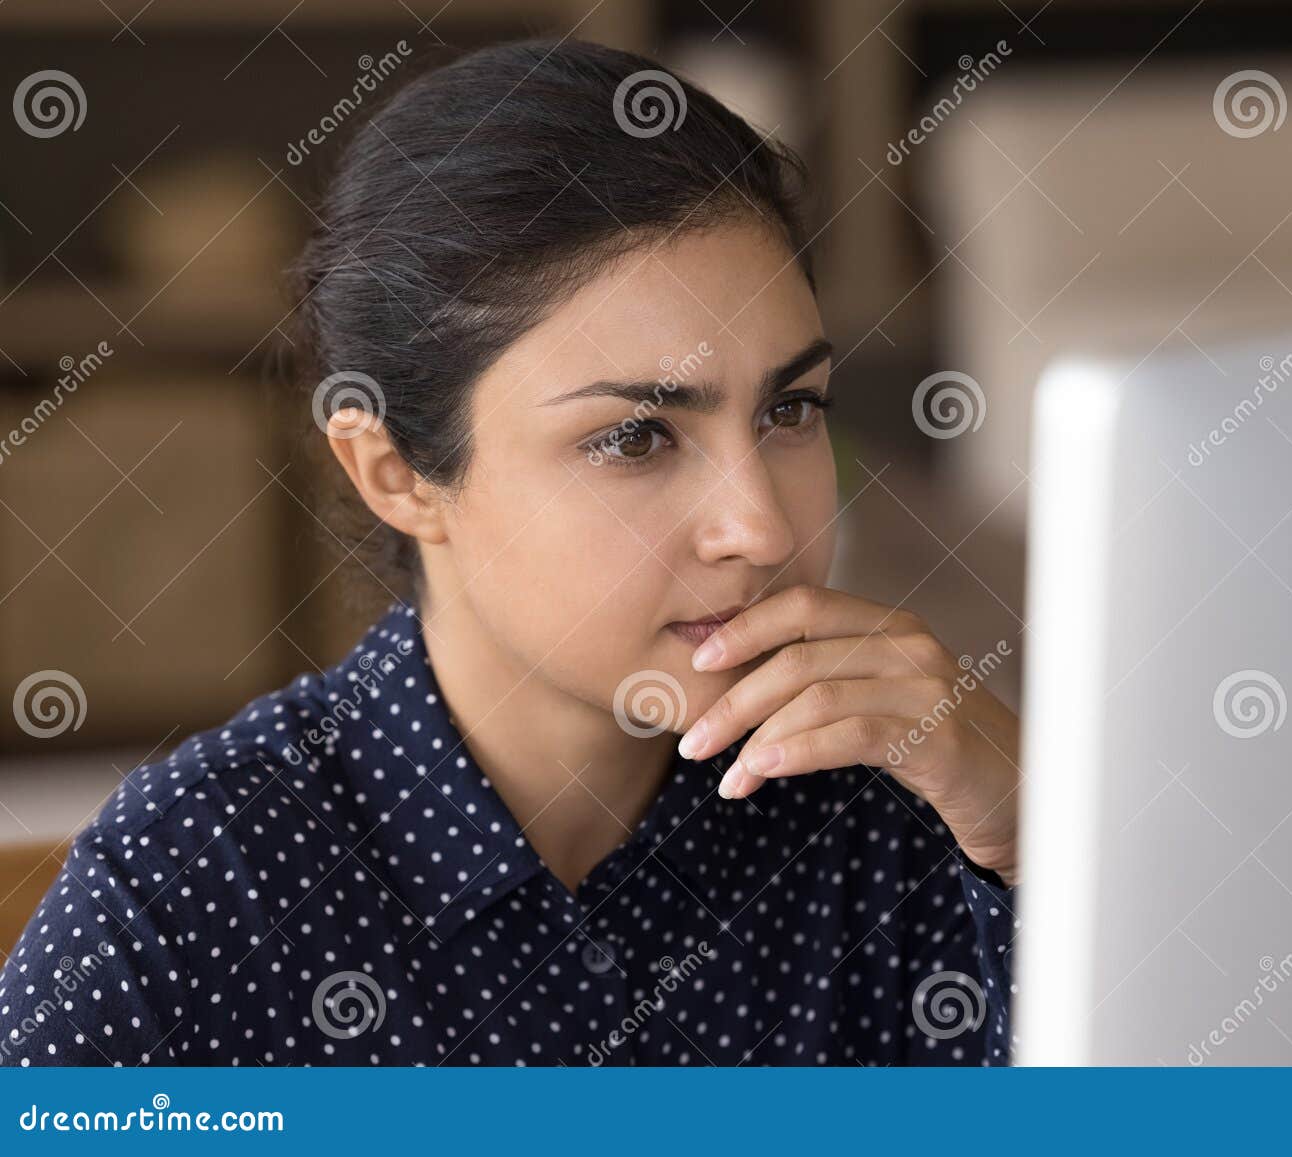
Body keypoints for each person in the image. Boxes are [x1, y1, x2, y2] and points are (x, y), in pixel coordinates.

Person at [0, 37, 1020, 1067]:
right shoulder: (197, 881)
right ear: (395, 470)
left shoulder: (923, 817)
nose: (759, 525)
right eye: (635, 436)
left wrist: (1044, 838)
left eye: (789, 408)